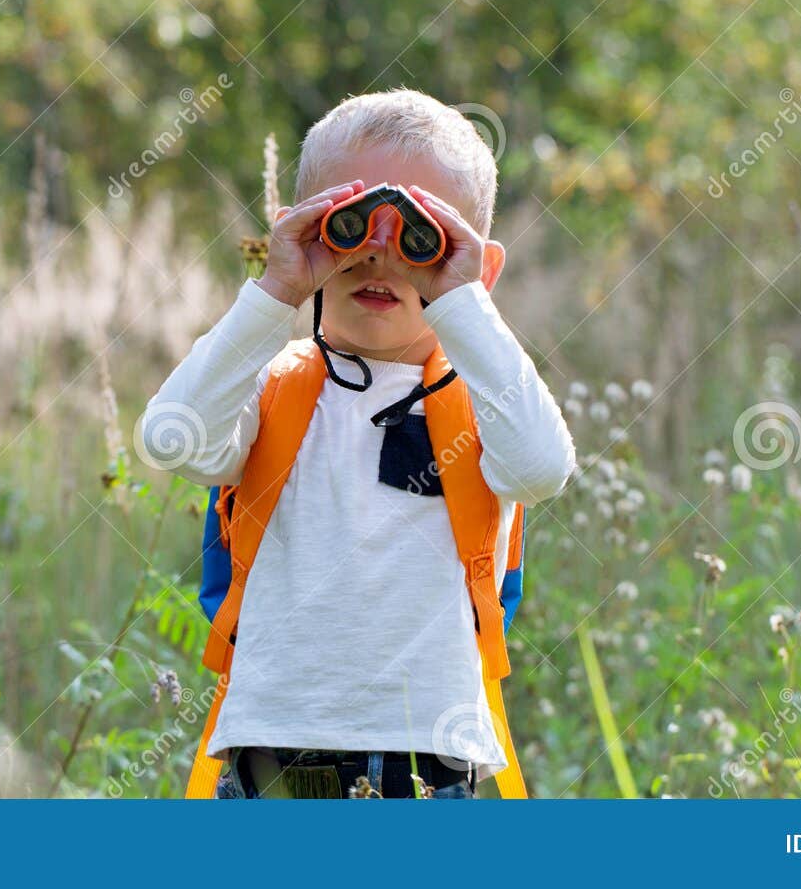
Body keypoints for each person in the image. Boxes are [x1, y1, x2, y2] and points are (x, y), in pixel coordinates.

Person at [138, 88, 576, 798]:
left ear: (482, 268)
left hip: (426, 770)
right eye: (350, 223)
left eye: (422, 234)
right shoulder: (270, 390)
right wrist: (277, 289)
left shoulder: (484, 406)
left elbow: (542, 467)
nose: (381, 254)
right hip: (272, 767)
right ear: (303, 230)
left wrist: (462, 303)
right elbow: (171, 439)